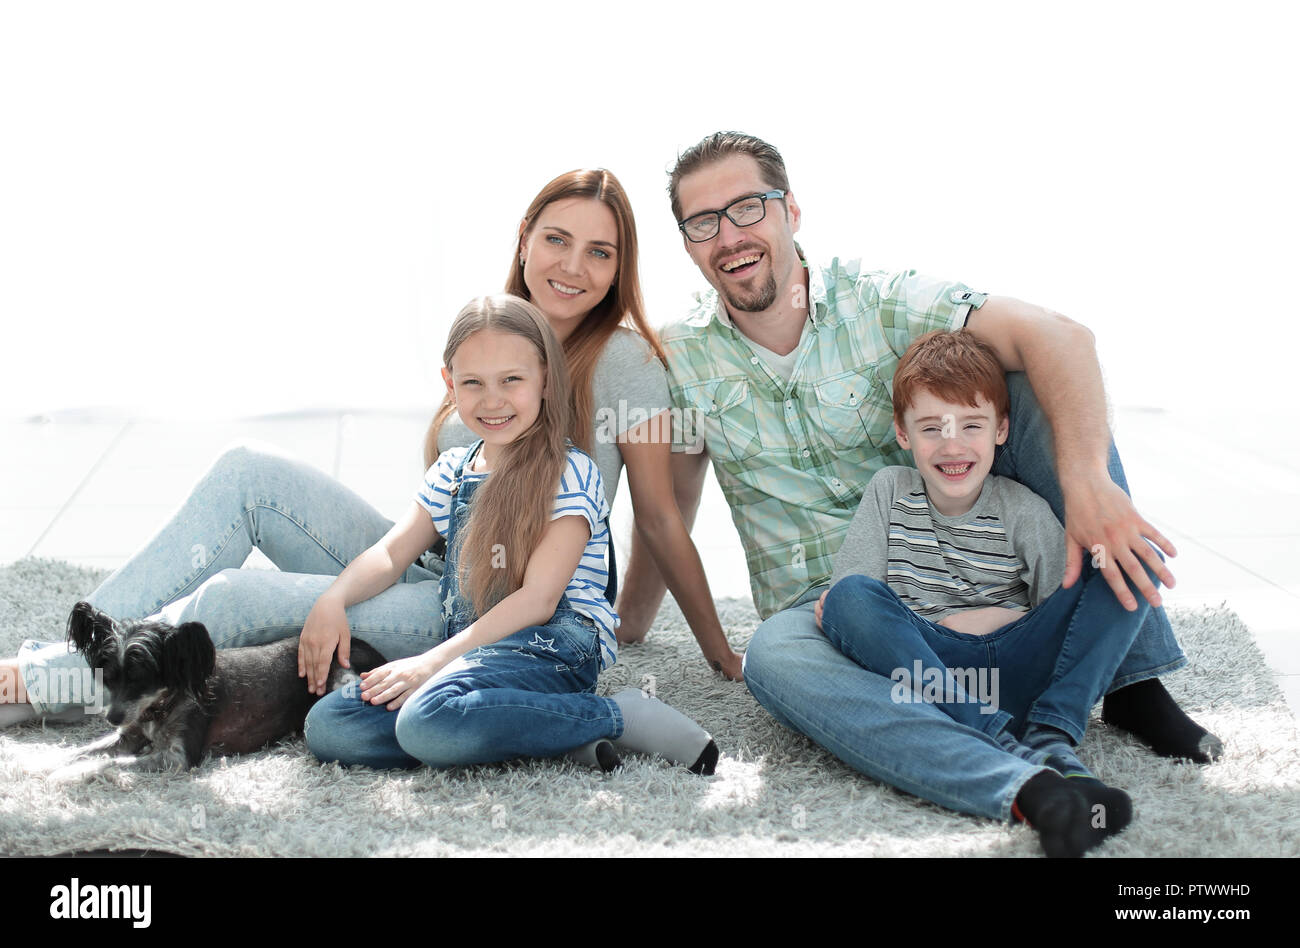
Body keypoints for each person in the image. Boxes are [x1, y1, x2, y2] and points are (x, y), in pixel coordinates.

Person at [617, 130, 1221, 834]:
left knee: (1025, 392)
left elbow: (1063, 336)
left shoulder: (879, 302)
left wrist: (1086, 479)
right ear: (687, 243)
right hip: (830, 621)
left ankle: (1132, 681)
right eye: (703, 222)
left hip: (959, 585)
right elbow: (671, 504)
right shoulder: (679, 357)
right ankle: (1024, 781)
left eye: (749, 207)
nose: (729, 235)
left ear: (791, 211)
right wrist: (633, 620)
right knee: (773, 659)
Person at [0, 168, 738, 729]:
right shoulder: (492, 338)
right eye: (557, 239)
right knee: (245, 473)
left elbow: (661, 517)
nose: (574, 266)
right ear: (524, 236)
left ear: (619, 269)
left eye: (599, 252)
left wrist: (715, 655)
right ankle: (68, 647)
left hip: (481, 602)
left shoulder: (626, 362)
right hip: (425, 559)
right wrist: (339, 592)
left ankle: (53, 686)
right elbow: (433, 507)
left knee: (231, 598)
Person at [302, 295, 718, 773]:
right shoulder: (453, 471)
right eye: (473, 383)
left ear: (544, 378)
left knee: (424, 719)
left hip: (553, 646)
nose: (493, 400)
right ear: (449, 384)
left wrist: (430, 663)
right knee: (331, 725)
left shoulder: (570, 472)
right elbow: (392, 553)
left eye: (512, 380)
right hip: (476, 652)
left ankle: (617, 715)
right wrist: (333, 600)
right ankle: (549, 736)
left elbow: (539, 601)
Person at [816, 329, 1155, 856]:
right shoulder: (888, 490)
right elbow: (848, 601)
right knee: (847, 599)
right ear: (903, 435)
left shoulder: (1021, 508)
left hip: (1020, 666)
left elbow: (1057, 615)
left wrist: (998, 621)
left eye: (970, 426)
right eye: (931, 428)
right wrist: (935, 630)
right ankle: (1003, 742)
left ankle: (1052, 733)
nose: (952, 445)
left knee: (1126, 560)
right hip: (934, 673)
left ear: (1000, 430)